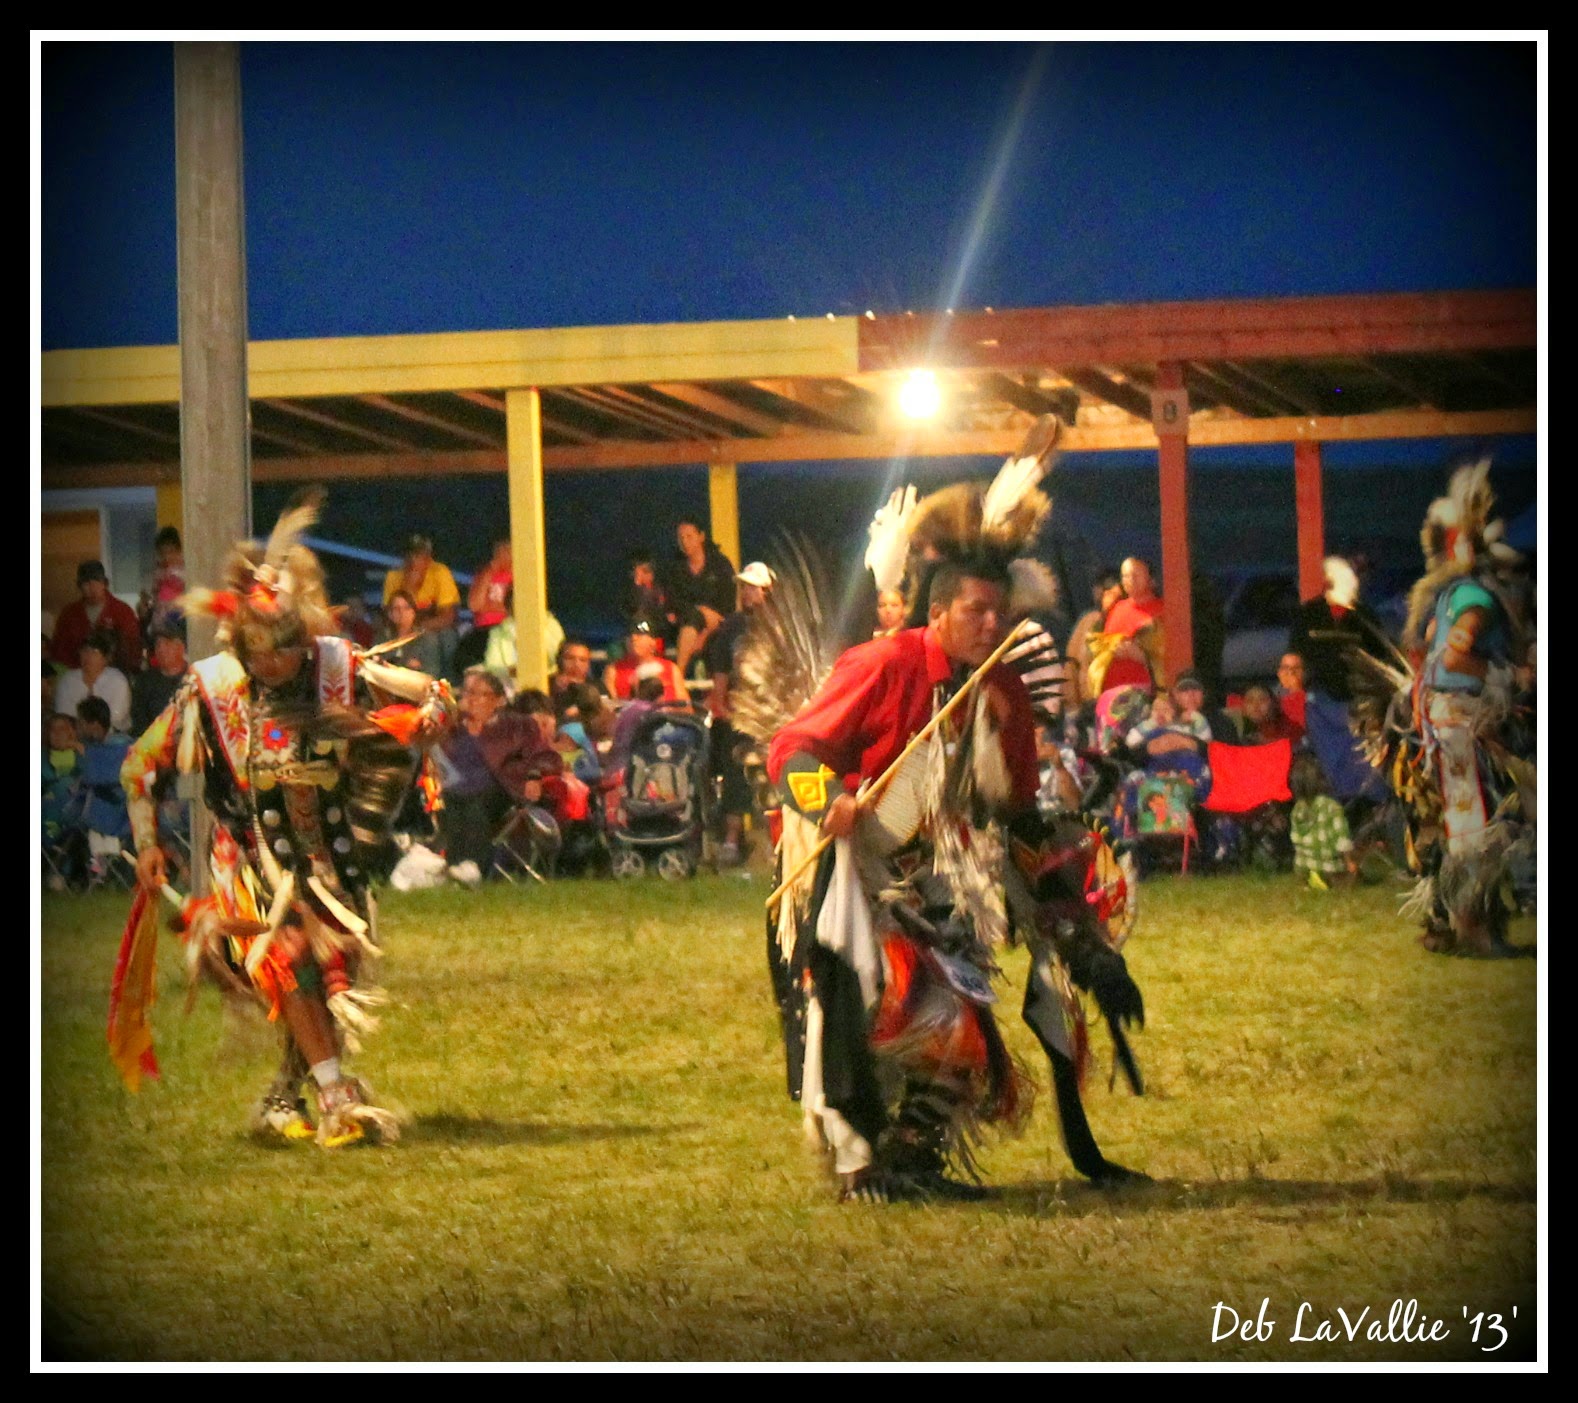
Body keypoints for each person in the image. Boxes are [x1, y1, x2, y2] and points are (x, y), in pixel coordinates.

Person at [751, 419, 1144, 1202]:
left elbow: (1022, 817)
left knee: (973, 1050)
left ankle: (905, 1161)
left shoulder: (1001, 696)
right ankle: (866, 1159)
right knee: (920, 1017)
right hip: (857, 880)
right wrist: (824, 798)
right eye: (974, 612)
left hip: (944, 895)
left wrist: (1078, 933)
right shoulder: (885, 663)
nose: (991, 625)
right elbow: (792, 749)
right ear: (938, 612)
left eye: (999, 612)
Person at [114, 494, 455, 1145]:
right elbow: (139, 766)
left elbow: (423, 697)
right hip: (246, 858)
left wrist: (428, 718)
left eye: (285, 649)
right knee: (291, 956)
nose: (274, 663)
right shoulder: (210, 686)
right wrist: (148, 842)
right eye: (261, 651)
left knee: (332, 972)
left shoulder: (333, 663)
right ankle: (333, 1094)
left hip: (322, 851)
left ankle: (287, 1092)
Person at [1359, 461, 1533, 957]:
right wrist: (1508, 679)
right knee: (1476, 823)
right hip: (1461, 719)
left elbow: (1430, 647)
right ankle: (1473, 932)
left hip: (1445, 720)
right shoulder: (1476, 595)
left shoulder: (1448, 596)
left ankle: (1465, 925)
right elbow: (1454, 650)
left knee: (1469, 821)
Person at [437, 668, 564, 885]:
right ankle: (455, 868)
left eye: (479, 694)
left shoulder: (517, 725)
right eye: (467, 693)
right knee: (450, 799)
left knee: (474, 800)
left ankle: (474, 866)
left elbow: (546, 756)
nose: (471, 699)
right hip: (453, 788)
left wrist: (533, 776)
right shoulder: (453, 728)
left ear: (498, 701)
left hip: (500, 789)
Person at [703, 561, 776, 867]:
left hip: (772, 712)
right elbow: (721, 670)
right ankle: (732, 840)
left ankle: (776, 842)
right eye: (744, 586)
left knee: (774, 774)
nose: (747, 592)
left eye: (753, 587)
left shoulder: (780, 626)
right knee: (735, 773)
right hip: (740, 712)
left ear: (767, 591)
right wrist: (721, 703)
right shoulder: (732, 627)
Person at [665, 518, 737, 677]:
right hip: (687, 623)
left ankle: (678, 674)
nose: (684, 542)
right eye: (681, 538)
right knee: (693, 617)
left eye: (689, 536)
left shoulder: (720, 564)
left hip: (717, 624)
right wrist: (701, 610)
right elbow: (673, 601)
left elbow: (728, 606)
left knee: (714, 633)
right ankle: (679, 675)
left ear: (701, 536)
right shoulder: (675, 568)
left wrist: (703, 636)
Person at [382, 533, 461, 678]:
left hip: (433, 627)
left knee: (446, 637)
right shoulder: (394, 576)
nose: (414, 560)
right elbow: (389, 614)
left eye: (419, 555)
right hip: (403, 629)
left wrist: (421, 627)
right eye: (410, 555)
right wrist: (409, 585)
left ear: (428, 556)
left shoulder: (439, 572)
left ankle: (449, 682)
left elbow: (449, 616)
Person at [51, 559, 143, 673]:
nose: (92, 587)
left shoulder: (122, 611)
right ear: (79, 586)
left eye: (97, 581)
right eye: (87, 583)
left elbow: (134, 648)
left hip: (115, 676)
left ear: (105, 584)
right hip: (77, 675)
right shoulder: (69, 614)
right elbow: (59, 651)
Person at [1289, 752, 1354, 890]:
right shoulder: (1332, 807)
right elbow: (1342, 840)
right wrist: (1349, 863)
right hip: (1329, 868)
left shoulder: (1297, 809)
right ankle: (1325, 880)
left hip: (1304, 867)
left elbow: (1296, 839)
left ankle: (1311, 879)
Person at [54, 630, 133, 734]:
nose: (88, 656)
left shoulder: (118, 681)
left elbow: (115, 719)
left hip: (113, 737)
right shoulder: (68, 680)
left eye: (94, 652)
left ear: (106, 658)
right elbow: (63, 716)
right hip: (73, 736)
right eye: (85, 651)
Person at [604, 617, 687, 703]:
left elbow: (686, 707)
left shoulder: (671, 669)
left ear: (653, 642)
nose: (633, 638)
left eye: (640, 634)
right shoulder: (613, 671)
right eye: (630, 635)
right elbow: (611, 709)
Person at [129, 619, 189, 737]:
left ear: (181, 647)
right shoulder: (144, 682)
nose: (161, 649)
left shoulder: (194, 680)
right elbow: (139, 724)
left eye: (167, 643)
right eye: (158, 644)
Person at [380, 590, 446, 676]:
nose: (401, 612)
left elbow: (432, 672)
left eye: (406, 608)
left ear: (413, 612)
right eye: (396, 608)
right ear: (390, 614)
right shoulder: (383, 637)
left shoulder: (427, 639)